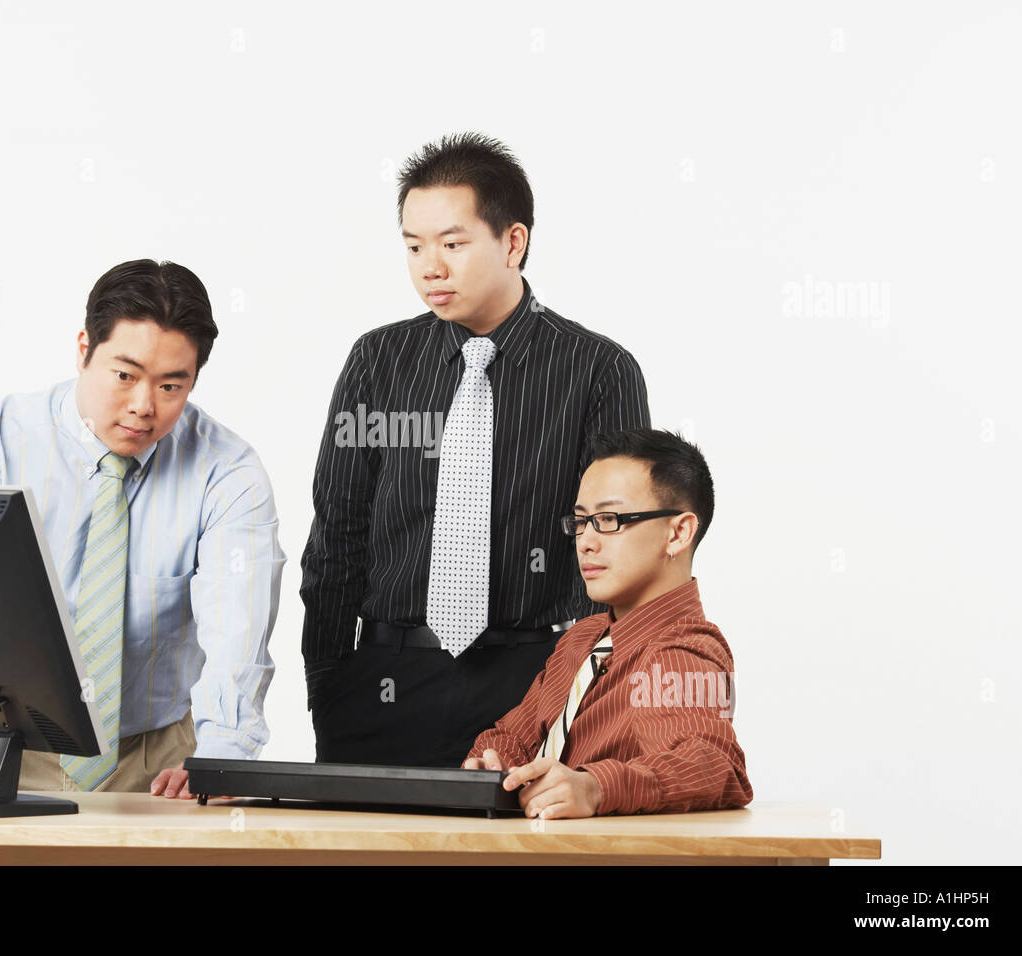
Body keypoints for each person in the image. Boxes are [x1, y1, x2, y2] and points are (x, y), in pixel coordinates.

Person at [301, 132, 651, 766]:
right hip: (380, 684)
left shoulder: (598, 370)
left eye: (453, 244)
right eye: (413, 247)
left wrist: (572, 697)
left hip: (530, 686)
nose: (430, 267)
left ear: (512, 241)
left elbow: (616, 553)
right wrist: (327, 687)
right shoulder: (379, 361)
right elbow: (337, 536)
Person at [0, 259, 285, 799]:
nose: (144, 406)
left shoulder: (227, 474)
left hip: (159, 761)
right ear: (83, 349)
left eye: (172, 385)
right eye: (124, 375)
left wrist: (222, 757)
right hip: (1, 751)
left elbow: (238, 629)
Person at [463, 428, 753, 819]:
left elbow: (713, 765)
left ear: (679, 532)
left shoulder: (683, 648)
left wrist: (595, 787)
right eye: (581, 522)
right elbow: (512, 735)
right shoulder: (583, 638)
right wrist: (494, 768)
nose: (585, 541)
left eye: (610, 519)